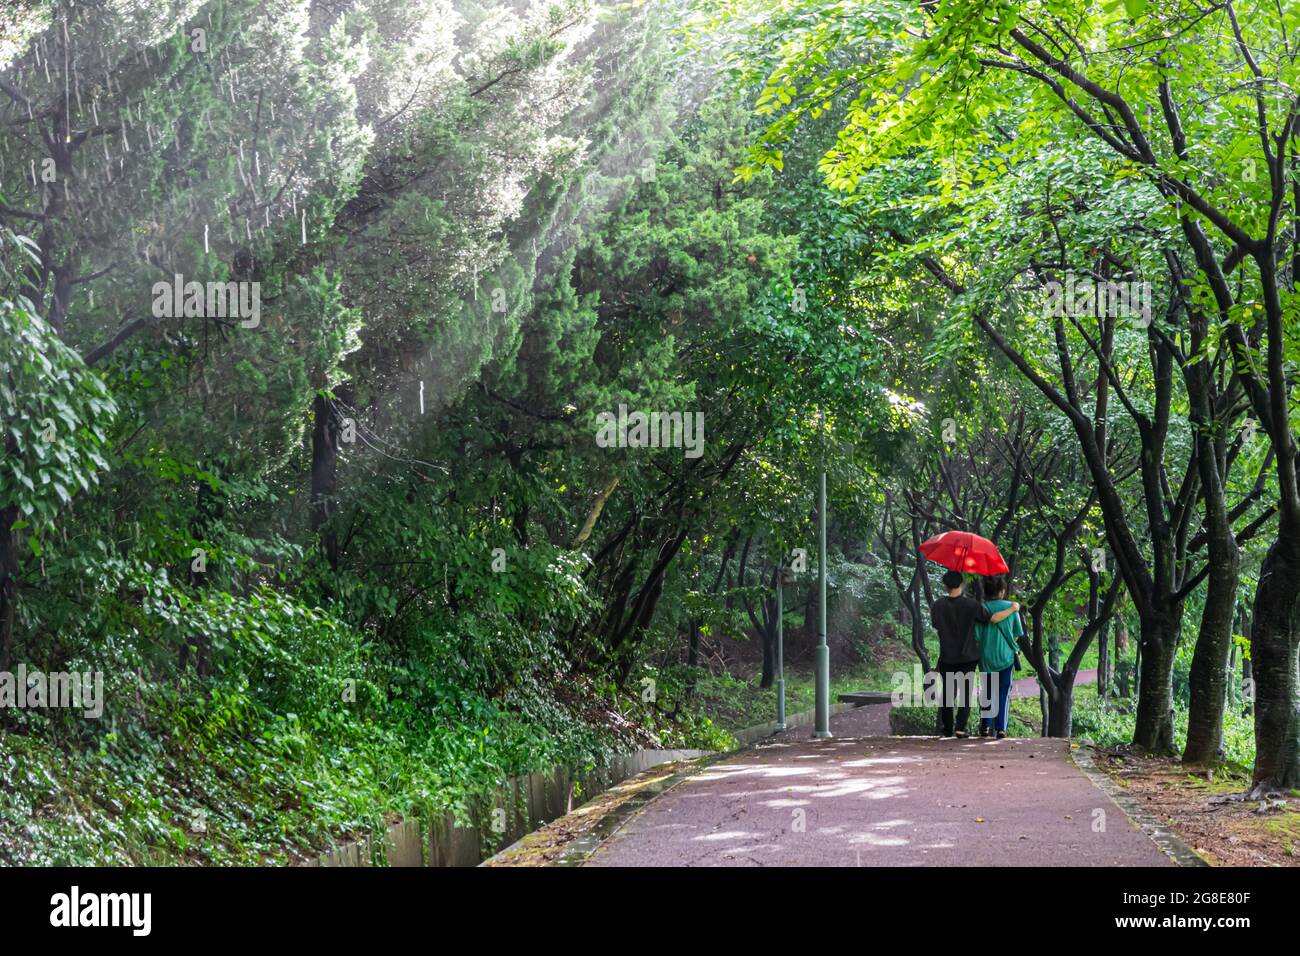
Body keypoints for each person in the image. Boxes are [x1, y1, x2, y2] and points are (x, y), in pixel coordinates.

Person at [930, 569, 1019, 738]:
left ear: (945, 585)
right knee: (964, 692)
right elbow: (993, 619)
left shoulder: (938, 605)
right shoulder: (972, 605)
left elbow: (936, 625)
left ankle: (947, 729)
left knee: (948, 692)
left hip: (946, 656)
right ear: (962, 584)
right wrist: (1013, 608)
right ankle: (960, 728)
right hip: (967, 657)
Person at [976, 574, 1023, 739]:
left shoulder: (982, 609)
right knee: (1003, 692)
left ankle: (985, 726)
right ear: (1002, 591)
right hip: (1006, 658)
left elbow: (977, 636)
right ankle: (1001, 728)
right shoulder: (1012, 608)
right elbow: (1017, 634)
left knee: (987, 692)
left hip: (986, 657)